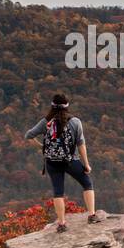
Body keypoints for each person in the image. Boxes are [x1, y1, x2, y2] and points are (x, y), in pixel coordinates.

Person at [24, 93, 101, 233]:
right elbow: (81, 145)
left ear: (52, 106)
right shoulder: (75, 122)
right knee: (87, 183)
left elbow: (28, 135)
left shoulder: (45, 122)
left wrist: (42, 147)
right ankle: (92, 216)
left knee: (58, 192)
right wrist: (86, 164)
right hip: (71, 160)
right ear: (67, 106)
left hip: (52, 162)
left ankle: (62, 224)